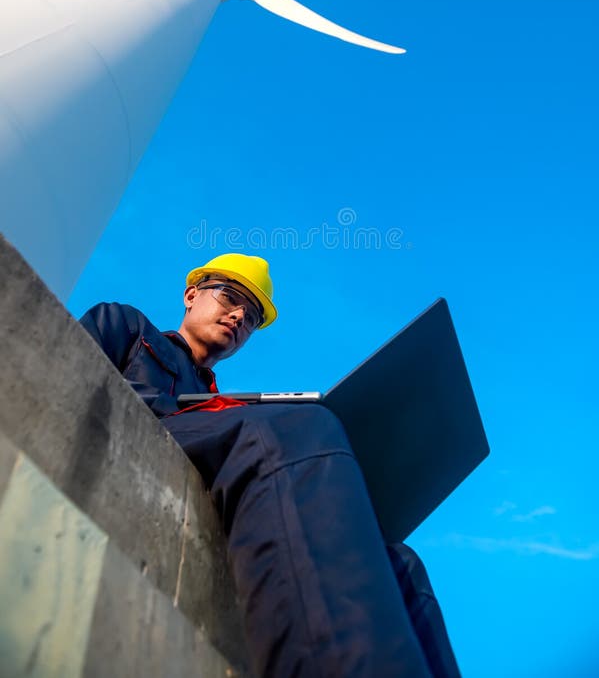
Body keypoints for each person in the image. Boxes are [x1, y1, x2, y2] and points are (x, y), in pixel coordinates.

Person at [81, 253, 460, 678]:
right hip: (154, 432)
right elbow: (74, 375)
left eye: (253, 316)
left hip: (226, 472)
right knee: (299, 424)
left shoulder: (227, 405)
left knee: (399, 559)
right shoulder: (129, 327)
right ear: (191, 295)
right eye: (231, 297)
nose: (240, 315)